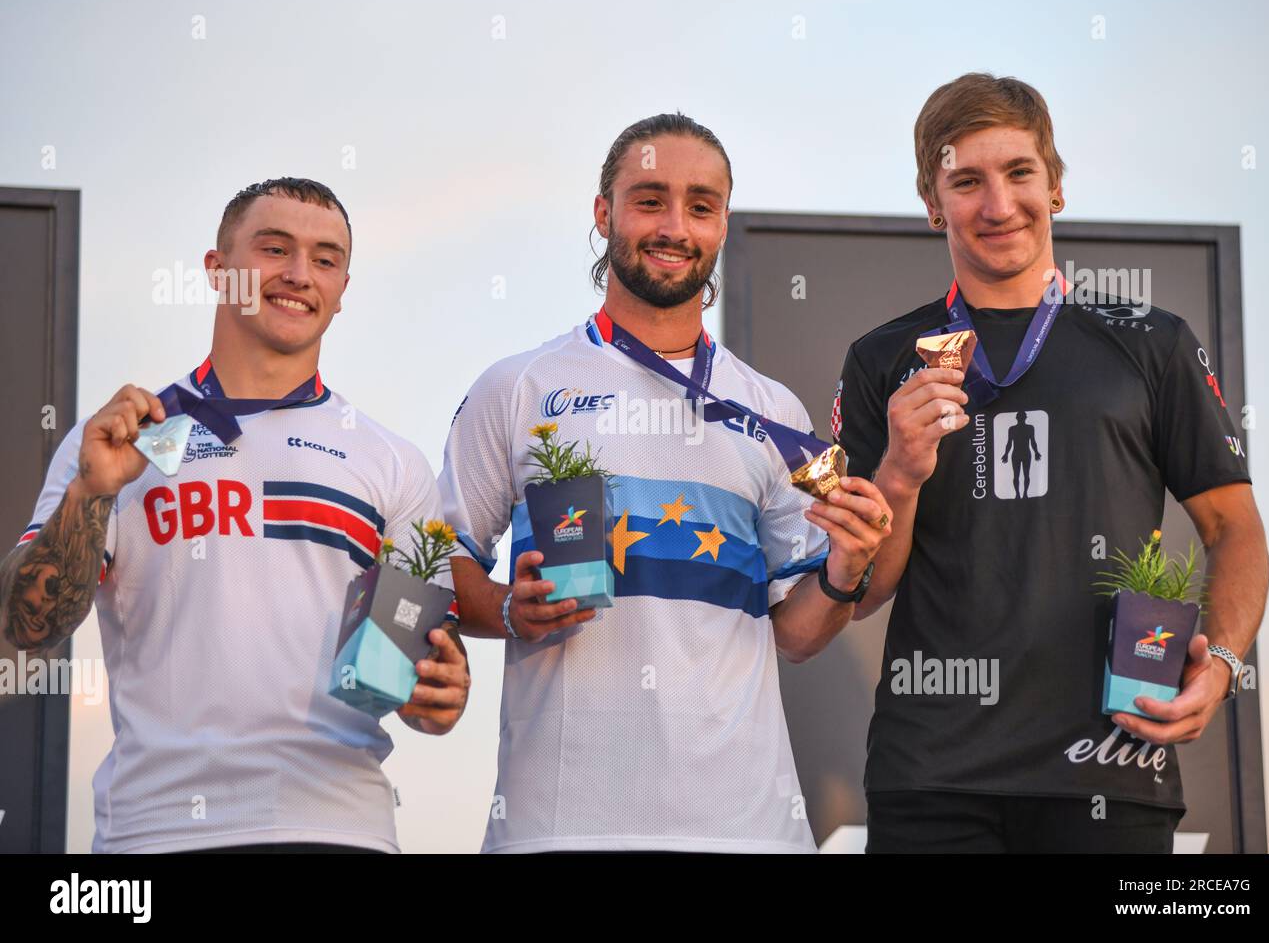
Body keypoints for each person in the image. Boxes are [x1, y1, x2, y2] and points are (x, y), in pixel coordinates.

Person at [832, 73, 1269, 852]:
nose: (998, 205)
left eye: (1019, 173)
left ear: (1056, 185)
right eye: (967, 181)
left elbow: (1235, 528)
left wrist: (1225, 662)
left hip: (1113, 760)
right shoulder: (882, 359)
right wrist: (898, 469)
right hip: (932, 775)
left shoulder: (1151, 340)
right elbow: (866, 590)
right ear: (933, 202)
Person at [439, 113, 892, 853]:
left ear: (720, 225)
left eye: (701, 205)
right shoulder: (518, 386)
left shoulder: (773, 410)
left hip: (747, 832)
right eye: (649, 199)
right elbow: (433, 560)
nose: (674, 225)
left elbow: (800, 635)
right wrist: (509, 610)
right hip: (557, 830)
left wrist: (844, 570)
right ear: (603, 213)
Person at [0, 178, 469, 853]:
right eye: (274, 249)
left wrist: (444, 690)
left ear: (342, 288)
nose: (299, 274)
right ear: (218, 272)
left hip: (339, 828)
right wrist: (89, 493)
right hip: (157, 832)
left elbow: (425, 672)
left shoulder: (390, 460)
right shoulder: (120, 440)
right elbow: (25, 624)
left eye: (326, 258)